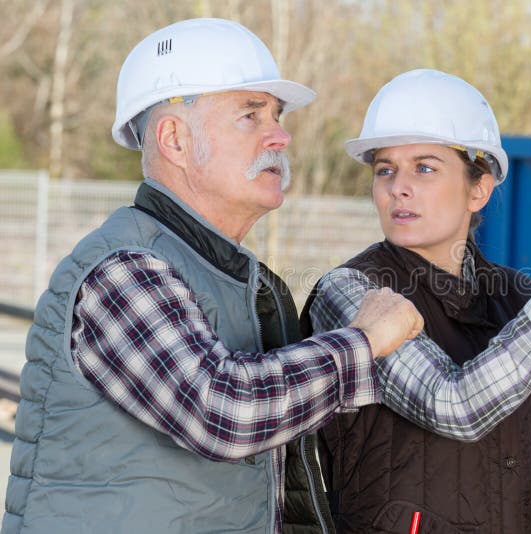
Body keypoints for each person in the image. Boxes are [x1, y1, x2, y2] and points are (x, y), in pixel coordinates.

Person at [2, 19, 423, 534]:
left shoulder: (243, 281)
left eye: (277, 114)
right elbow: (221, 411)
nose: (281, 135)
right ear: (174, 139)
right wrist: (362, 342)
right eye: (251, 114)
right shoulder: (124, 271)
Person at [301, 69, 531, 534]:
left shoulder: (519, 298)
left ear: (479, 188)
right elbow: (453, 407)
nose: (399, 186)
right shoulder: (354, 292)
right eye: (385, 169)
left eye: (425, 167)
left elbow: (501, 457)